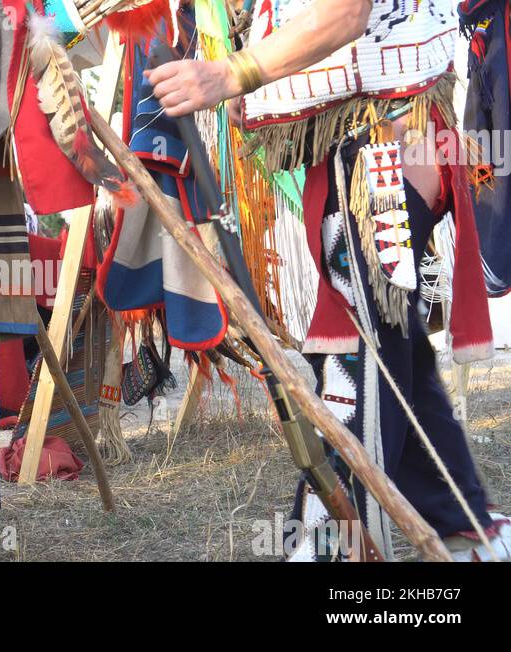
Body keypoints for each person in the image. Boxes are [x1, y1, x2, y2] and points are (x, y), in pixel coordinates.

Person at [148, 0, 510, 561]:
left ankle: (327, 551)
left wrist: (229, 73)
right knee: (389, 342)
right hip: (381, 141)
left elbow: (345, 12)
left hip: (379, 153)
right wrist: (258, 81)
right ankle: (461, 520)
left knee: (356, 361)